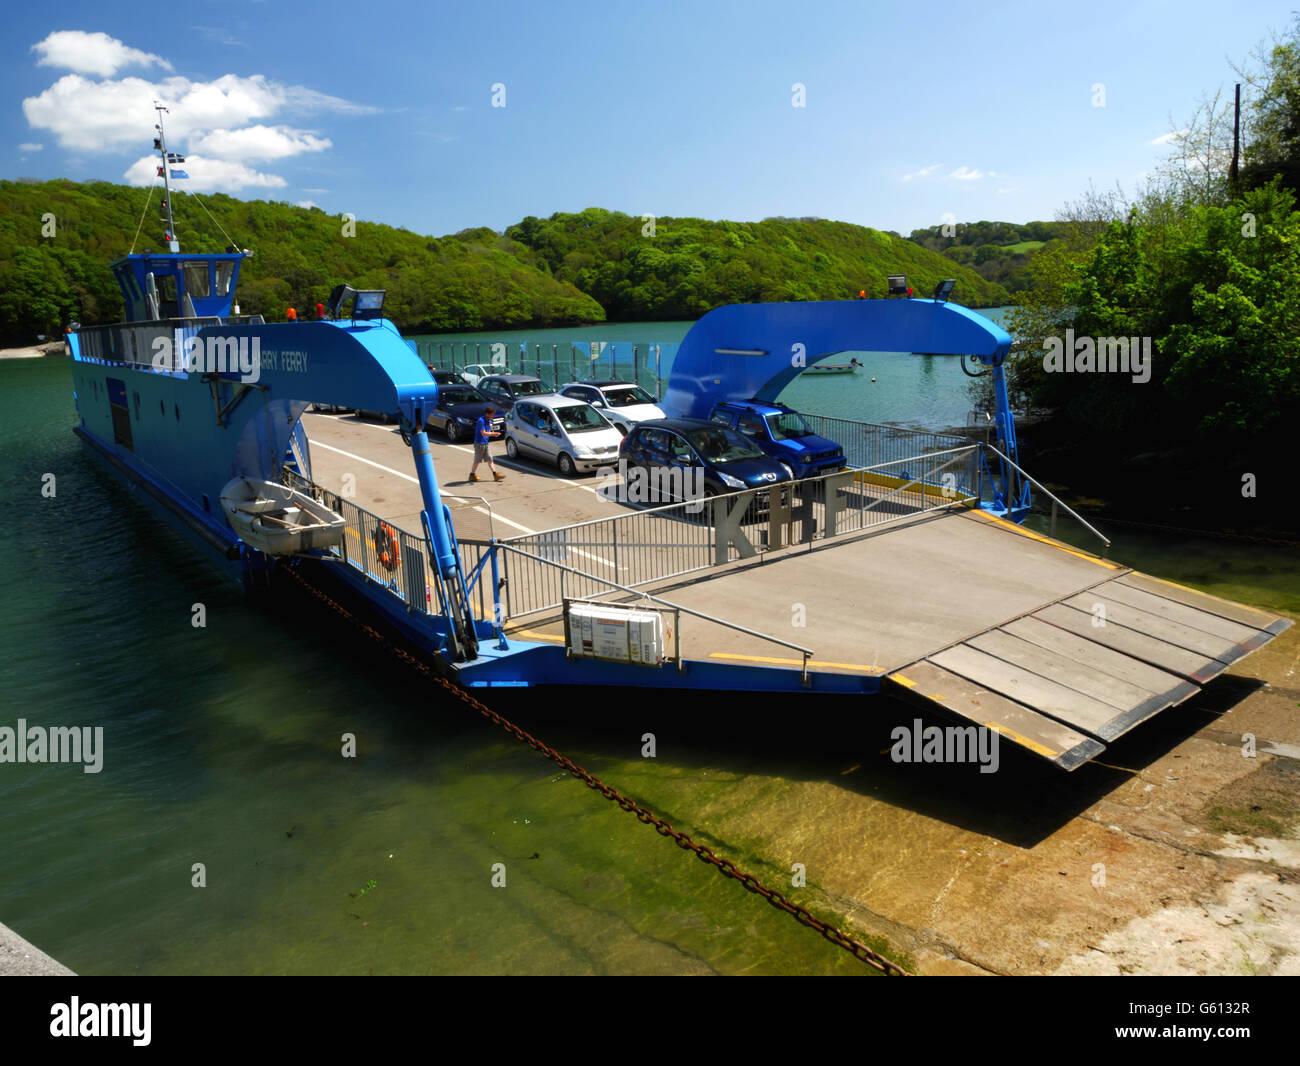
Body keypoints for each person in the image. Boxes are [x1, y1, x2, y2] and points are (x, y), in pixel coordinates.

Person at [468, 406, 506, 482]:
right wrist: (494, 434)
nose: (493, 416)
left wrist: (493, 433)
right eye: (492, 414)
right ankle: (472, 475)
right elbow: (483, 433)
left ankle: (495, 475)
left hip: (485, 443)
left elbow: (488, 431)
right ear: (487, 414)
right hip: (479, 444)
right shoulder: (481, 421)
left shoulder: (489, 420)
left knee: (490, 459)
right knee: (477, 461)